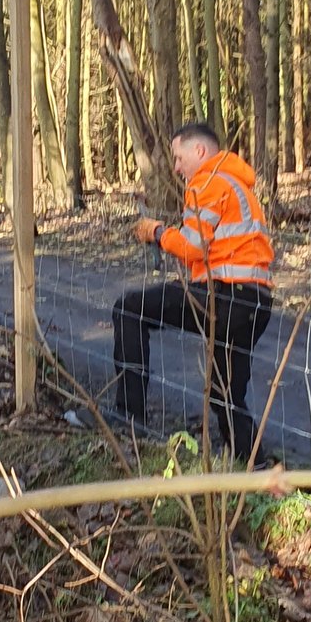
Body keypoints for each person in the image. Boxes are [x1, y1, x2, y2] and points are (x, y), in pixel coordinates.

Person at [111, 122, 274, 456]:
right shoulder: (234, 183)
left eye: (178, 157)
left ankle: (129, 420)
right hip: (255, 300)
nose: (176, 167)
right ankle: (250, 463)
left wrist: (155, 231)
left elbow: (192, 247)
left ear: (199, 151)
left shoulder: (207, 182)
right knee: (224, 391)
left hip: (224, 294)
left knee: (129, 310)